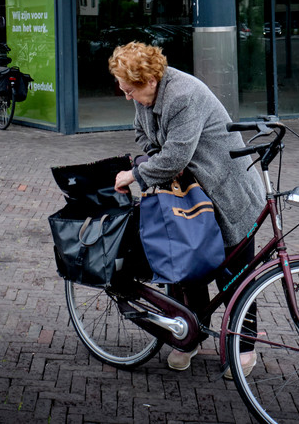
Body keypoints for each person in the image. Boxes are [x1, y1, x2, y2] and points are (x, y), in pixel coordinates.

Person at [109, 41, 265, 374]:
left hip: (227, 192)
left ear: (150, 80)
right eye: (123, 91)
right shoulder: (145, 96)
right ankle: (191, 336)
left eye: (129, 90)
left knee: (235, 273)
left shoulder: (182, 96)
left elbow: (176, 156)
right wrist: (157, 155)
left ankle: (245, 346)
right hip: (192, 194)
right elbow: (142, 134)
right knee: (187, 264)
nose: (127, 97)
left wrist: (135, 174)